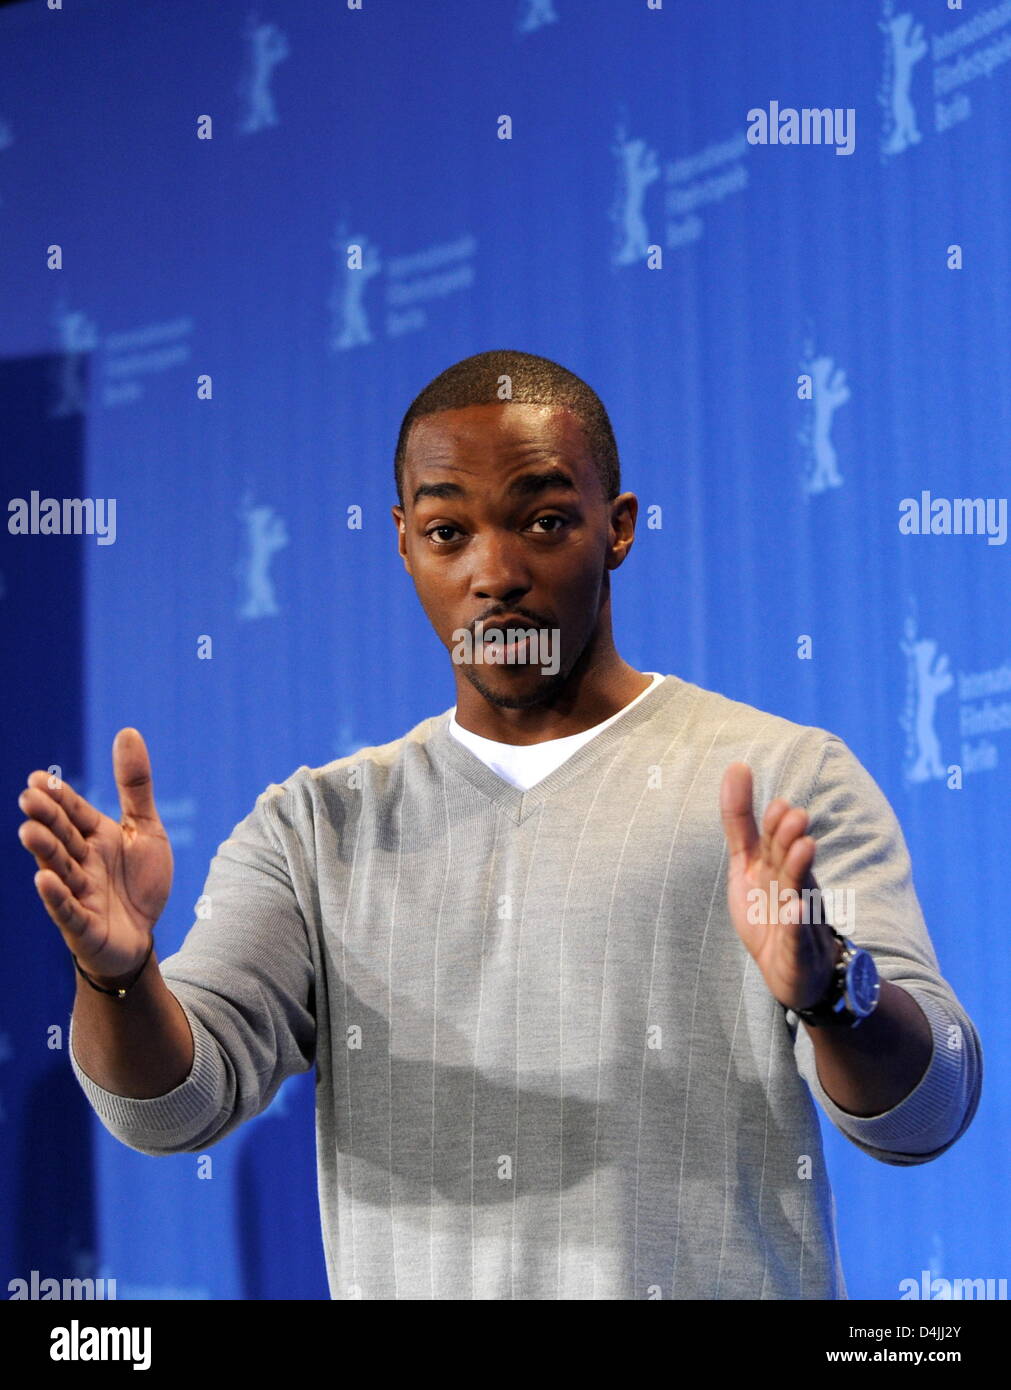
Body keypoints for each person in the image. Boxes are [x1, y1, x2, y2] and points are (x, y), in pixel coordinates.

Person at [17, 349, 981, 1300]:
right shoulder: (315, 827)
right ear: (402, 541)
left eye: (545, 520)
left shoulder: (782, 781)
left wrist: (829, 996)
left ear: (619, 528)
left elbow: (926, 1111)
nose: (496, 572)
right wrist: (118, 975)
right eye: (447, 533)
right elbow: (172, 1107)